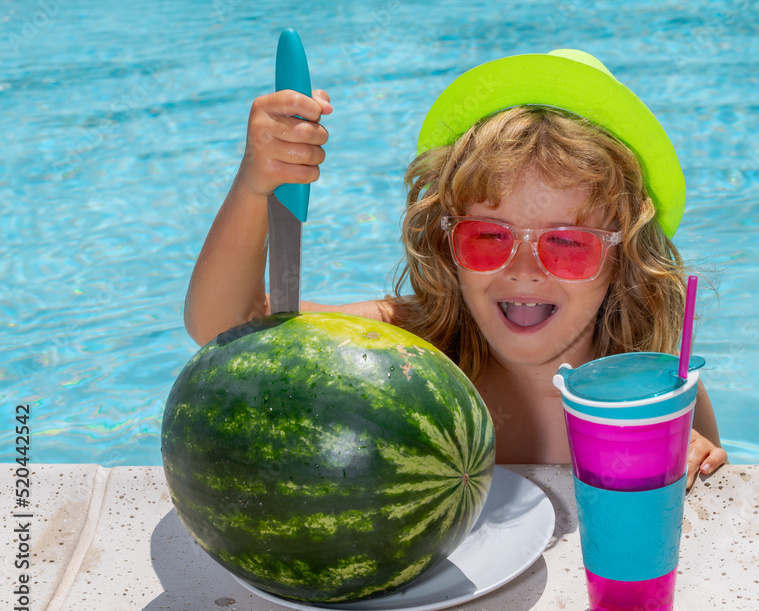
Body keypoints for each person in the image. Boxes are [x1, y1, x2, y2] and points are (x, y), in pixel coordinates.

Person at [184, 49, 727, 489]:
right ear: (446, 244)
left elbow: (705, 490)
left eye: (567, 242)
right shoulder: (412, 346)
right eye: (489, 237)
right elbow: (231, 329)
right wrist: (257, 183)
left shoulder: (656, 391)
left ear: (622, 257)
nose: (523, 269)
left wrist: (699, 457)